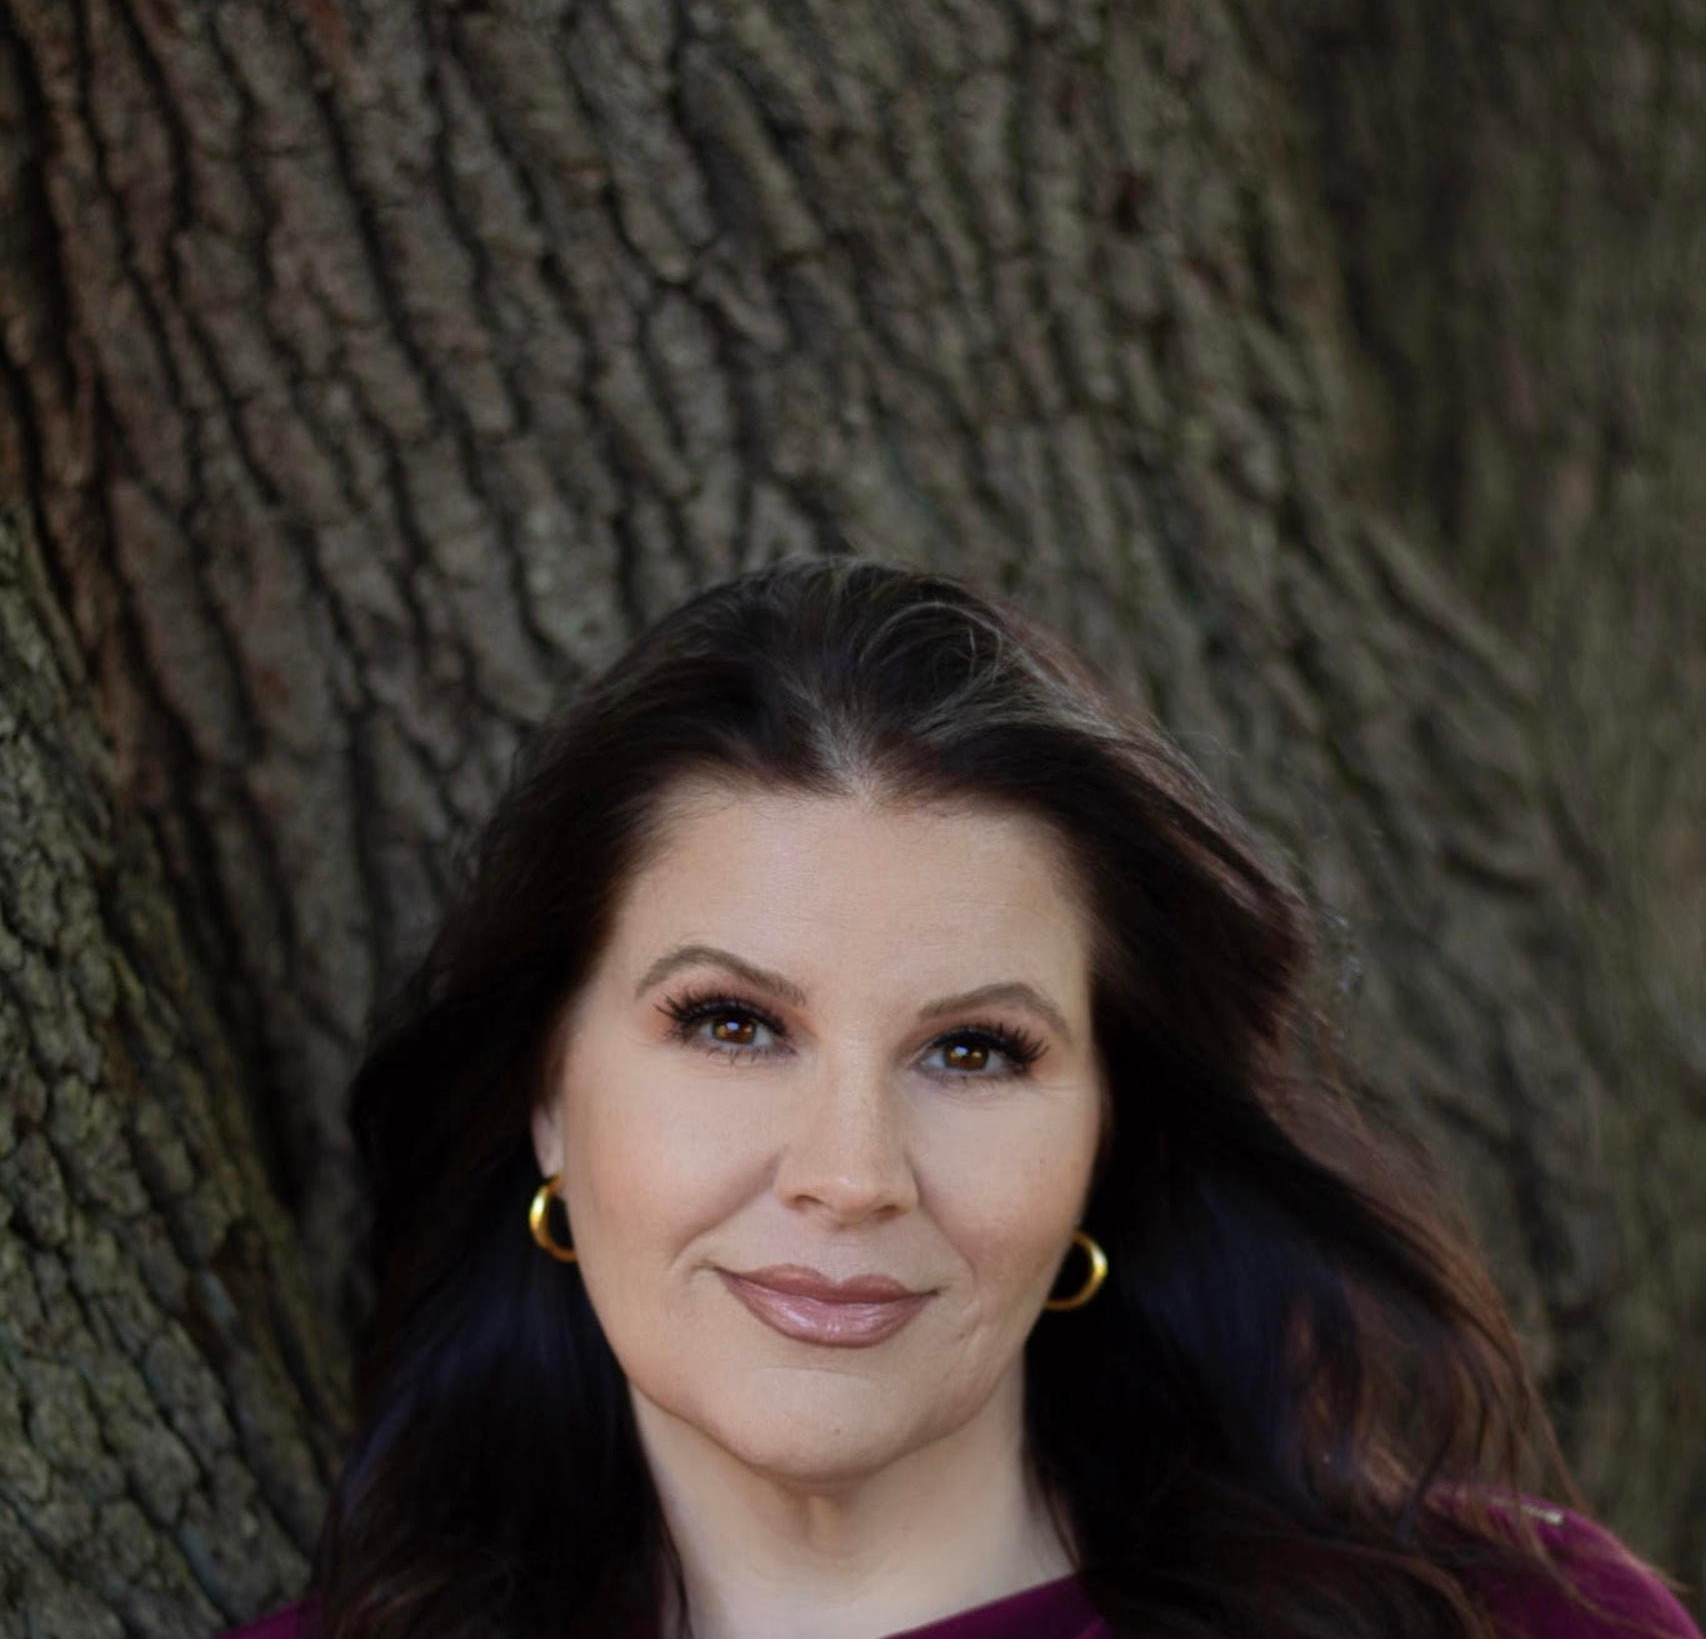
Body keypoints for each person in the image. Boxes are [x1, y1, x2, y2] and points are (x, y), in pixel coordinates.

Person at [222, 556, 1700, 1639]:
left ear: (1107, 1130)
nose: (851, 1173)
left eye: (975, 1051)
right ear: (549, 1091)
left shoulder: (1509, 1620)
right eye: (732, 1026)